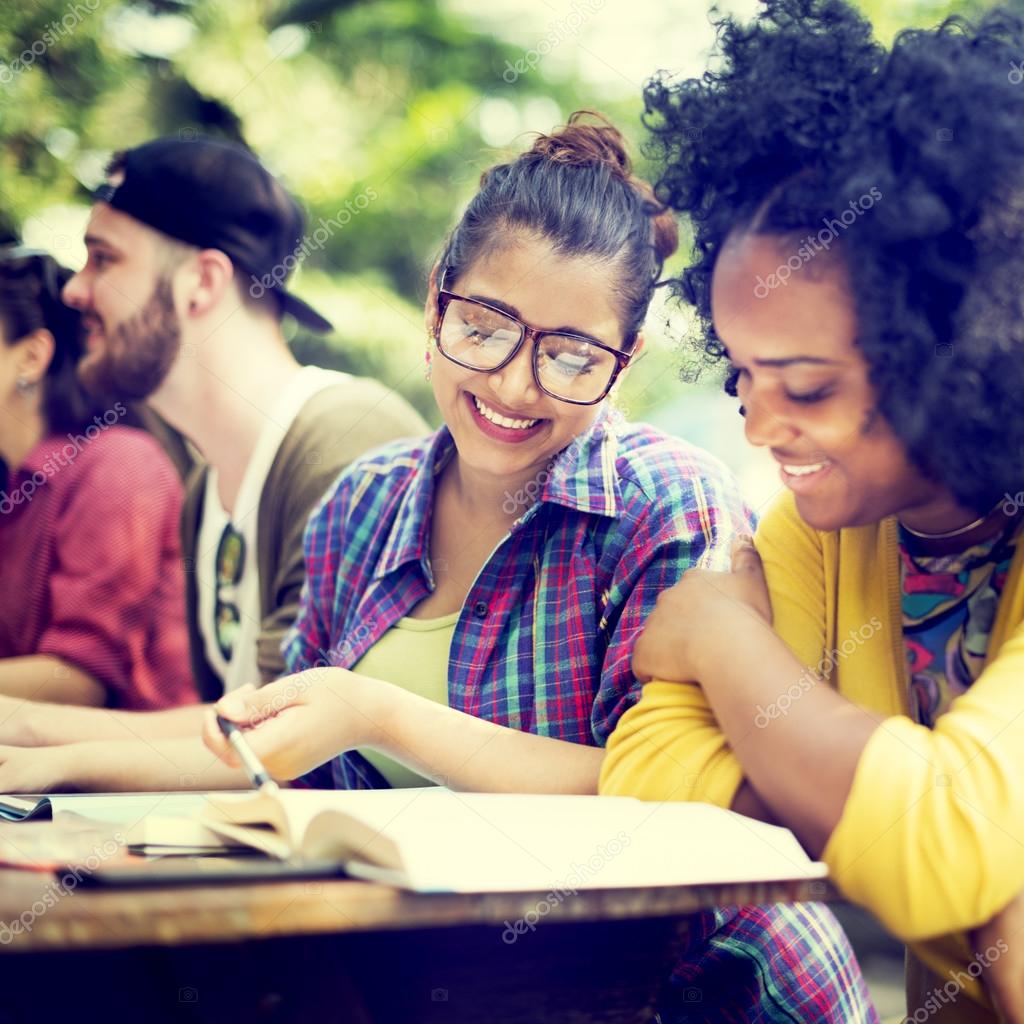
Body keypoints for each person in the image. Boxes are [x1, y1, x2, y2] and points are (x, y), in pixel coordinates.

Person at [201, 113, 877, 1022]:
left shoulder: (670, 508)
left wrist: (377, 713)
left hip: (697, 993)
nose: (515, 387)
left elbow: (679, 799)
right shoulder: (364, 503)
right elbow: (285, 759)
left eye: (569, 355)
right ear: (437, 300)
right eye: (484, 327)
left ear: (625, 361)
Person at [599, 3, 1024, 1021]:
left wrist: (718, 636)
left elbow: (936, 845)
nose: (757, 428)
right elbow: (645, 766)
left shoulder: (763, 569)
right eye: (743, 377)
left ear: (956, 354)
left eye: (806, 387)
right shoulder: (823, 532)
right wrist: (884, 815)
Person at [0, 137, 425, 784]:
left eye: (103, 259)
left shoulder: (345, 438)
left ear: (202, 281)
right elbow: (224, 725)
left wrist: (45, 749)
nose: (76, 291)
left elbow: (291, 745)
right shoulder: (206, 490)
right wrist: (24, 729)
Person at [0, 246, 192, 709]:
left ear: (31, 357)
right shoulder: (15, 483)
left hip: (143, 776)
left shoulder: (119, 466)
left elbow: (81, 679)